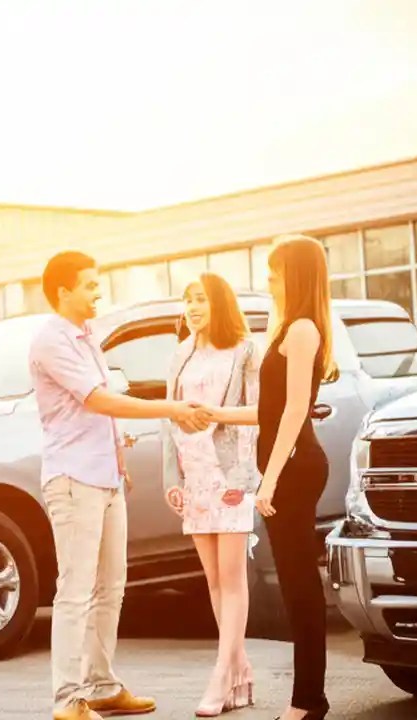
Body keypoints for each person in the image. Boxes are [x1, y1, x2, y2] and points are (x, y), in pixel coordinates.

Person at [29, 250, 213, 720]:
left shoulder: (86, 337)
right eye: (89, 285)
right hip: (73, 480)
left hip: (104, 477)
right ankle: (68, 700)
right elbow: (97, 400)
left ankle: (102, 686)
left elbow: (97, 409)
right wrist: (171, 409)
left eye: (98, 283)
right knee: (75, 590)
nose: (97, 292)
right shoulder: (51, 340)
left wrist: (118, 459)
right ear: (62, 291)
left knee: (112, 587)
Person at [207, 235, 334, 720]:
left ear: (295, 275)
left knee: (301, 585)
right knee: (295, 583)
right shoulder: (285, 330)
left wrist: (271, 480)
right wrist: (211, 413)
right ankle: (308, 698)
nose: (268, 279)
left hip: (297, 469)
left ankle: (308, 701)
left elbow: (295, 412)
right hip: (288, 466)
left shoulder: (302, 329)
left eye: (275, 271)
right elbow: (267, 411)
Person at [160, 273, 259, 717]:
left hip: (231, 475)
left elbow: (257, 416)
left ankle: (222, 675)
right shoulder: (180, 354)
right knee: (214, 581)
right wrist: (171, 477)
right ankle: (240, 671)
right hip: (194, 473)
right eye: (187, 300)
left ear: (219, 301)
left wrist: (244, 478)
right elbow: (168, 417)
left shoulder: (244, 350)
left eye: (200, 298)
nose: (193, 307)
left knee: (233, 578)